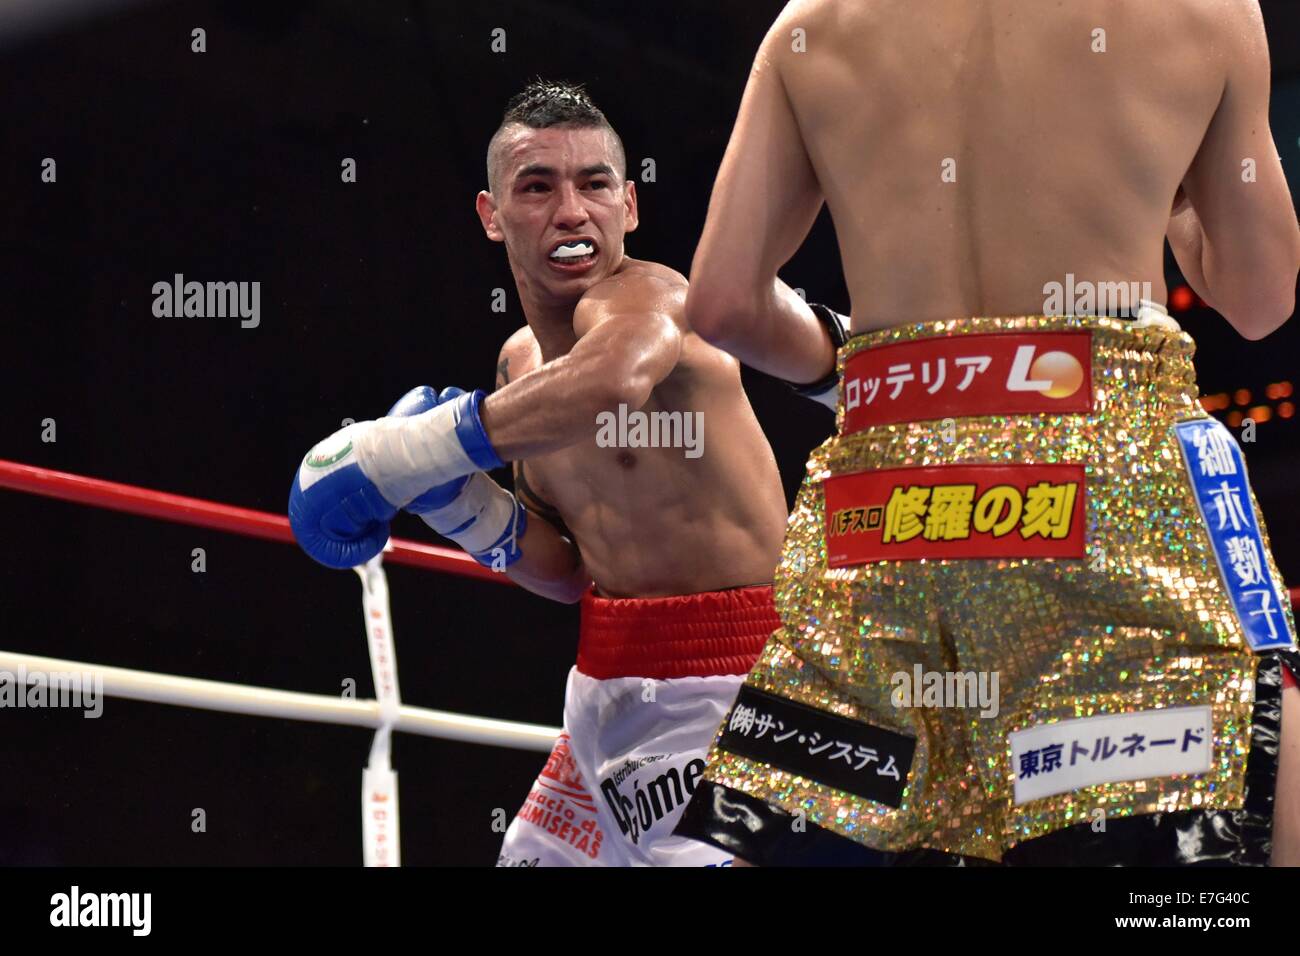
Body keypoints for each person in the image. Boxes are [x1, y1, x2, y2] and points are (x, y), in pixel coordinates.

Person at [673, 0, 1300, 865]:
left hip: (883, 500)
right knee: (1212, 837)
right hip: (1104, 466)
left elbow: (723, 303)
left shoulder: (808, 24)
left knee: (821, 819)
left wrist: (893, 372)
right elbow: (1261, 296)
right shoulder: (1203, 9)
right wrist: (1173, 196)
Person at [286, 80, 793, 866]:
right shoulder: (519, 370)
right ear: (492, 214)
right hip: (605, 684)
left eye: (594, 184)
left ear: (628, 206)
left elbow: (611, 381)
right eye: (537, 186)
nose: (571, 211)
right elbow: (564, 571)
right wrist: (456, 505)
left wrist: (403, 456)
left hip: (739, 683)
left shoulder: (654, 302)